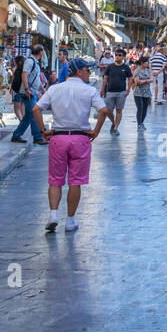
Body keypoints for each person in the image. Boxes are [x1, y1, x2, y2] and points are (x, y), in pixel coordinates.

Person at [32, 58, 109, 232]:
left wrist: (43, 130)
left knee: (55, 180)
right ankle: (70, 220)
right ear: (79, 71)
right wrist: (96, 131)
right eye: (87, 70)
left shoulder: (54, 89)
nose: (89, 73)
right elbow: (103, 111)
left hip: (58, 137)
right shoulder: (89, 91)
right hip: (80, 138)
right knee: (75, 182)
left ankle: (53, 215)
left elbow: (36, 109)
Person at [9, 44, 49, 146]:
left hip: (32, 92)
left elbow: (35, 78)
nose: (43, 53)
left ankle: (16, 135)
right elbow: (24, 75)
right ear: (40, 53)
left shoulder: (35, 62)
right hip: (28, 93)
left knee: (28, 116)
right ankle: (38, 137)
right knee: (34, 114)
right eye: (43, 51)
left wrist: (42, 89)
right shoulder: (30, 61)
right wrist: (27, 89)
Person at [99, 49, 131, 136]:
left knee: (119, 110)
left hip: (121, 92)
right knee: (108, 111)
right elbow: (105, 78)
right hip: (110, 92)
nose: (117, 56)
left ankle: (115, 128)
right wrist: (102, 90)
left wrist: (128, 89)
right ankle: (114, 122)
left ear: (123, 57)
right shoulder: (110, 67)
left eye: (120, 55)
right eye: (116, 55)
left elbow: (130, 78)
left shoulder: (126, 68)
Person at [130, 57, 154, 130]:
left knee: (145, 108)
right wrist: (147, 81)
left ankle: (142, 123)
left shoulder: (148, 70)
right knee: (140, 108)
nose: (148, 64)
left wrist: (144, 81)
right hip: (138, 92)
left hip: (146, 92)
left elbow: (152, 79)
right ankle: (139, 124)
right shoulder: (137, 71)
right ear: (142, 63)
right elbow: (137, 82)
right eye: (146, 62)